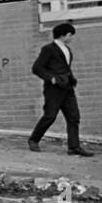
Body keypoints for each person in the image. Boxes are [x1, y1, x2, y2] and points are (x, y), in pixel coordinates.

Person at [29, 22, 93, 156]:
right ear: (64, 35)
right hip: (54, 89)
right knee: (50, 116)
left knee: (74, 117)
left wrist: (71, 79)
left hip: (67, 87)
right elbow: (37, 67)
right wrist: (51, 78)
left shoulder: (67, 49)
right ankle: (34, 140)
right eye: (71, 35)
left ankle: (74, 147)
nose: (72, 38)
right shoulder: (48, 49)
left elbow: (65, 68)